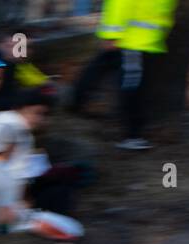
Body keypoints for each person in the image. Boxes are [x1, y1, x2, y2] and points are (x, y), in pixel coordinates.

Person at [70, 0, 177, 149]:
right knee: (132, 87)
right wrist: (111, 36)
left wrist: (111, 36)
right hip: (133, 42)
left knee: (101, 69)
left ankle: (75, 103)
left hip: (135, 40)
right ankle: (133, 135)